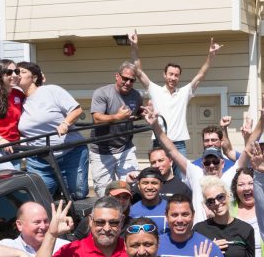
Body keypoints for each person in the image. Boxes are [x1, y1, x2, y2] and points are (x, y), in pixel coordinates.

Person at [129, 31, 223, 154]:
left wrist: (211, 56)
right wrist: (134, 47)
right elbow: (138, 72)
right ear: (164, 75)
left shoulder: (184, 92)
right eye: (171, 74)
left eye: (176, 75)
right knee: (159, 173)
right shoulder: (155, 90)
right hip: (159, 141)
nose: (173, 78)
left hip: (179, 144)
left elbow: (201, 75)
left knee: (182, 174)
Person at [16, 61, 89, 198]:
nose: (18, 75)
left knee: (77, 194)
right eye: (16, 72)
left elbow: (77, 110)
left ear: (35, 78)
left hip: (70, 153)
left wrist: (65, 123)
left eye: (23, 72)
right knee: (41, 197)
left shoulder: (51, 90)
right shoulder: (18, 100)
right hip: (39, 159)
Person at [89, 62, 144, 196]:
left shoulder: (136, 95)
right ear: (117, 76)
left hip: (125, 148)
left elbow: (135, 113)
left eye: (131, 80)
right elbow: (97, 118)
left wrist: (145, 113)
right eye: (125, 78)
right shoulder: (102, 93)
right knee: (105, 193)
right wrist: (117, 117)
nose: (127, 82)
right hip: (101, 150)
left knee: (131, 187)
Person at [193, 178, 255, 257]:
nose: (217, 203)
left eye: (220, 197)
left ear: (228, 196)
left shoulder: (245, 229)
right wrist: (212, 250)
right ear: (207, 205)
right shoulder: (199, 229)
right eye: (211, 201)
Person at [158, 194, 234, 257]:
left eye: (185, 214)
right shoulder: (156, 245)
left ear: (193, 215)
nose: (180, 220)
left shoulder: (208, 248)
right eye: (174, 215)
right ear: (166, 216)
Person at [129, 166, 168, 231]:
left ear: (161, 185)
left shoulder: (170, 209)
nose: (149, 187)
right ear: (138, 185)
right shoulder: (131, 212)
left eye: (154, 183)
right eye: (145, 183)